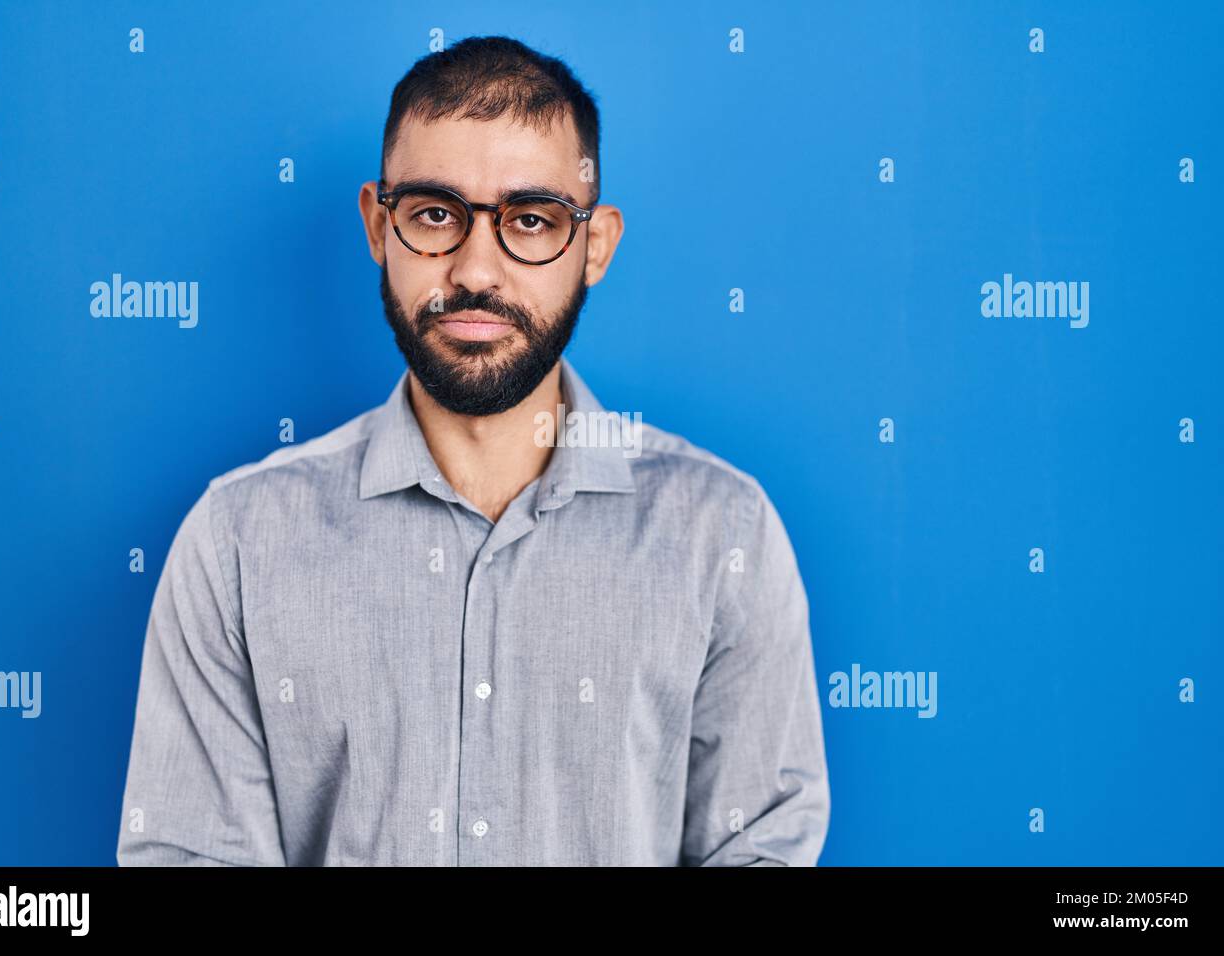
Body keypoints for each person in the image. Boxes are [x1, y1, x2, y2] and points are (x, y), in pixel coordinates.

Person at [116, 34, 829, 866]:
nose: (476, 269)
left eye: (531, 220)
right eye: (434, 215)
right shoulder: (236, 542)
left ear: (594, 245)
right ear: (380, 228)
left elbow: (762, 848)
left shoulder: (723, 535)